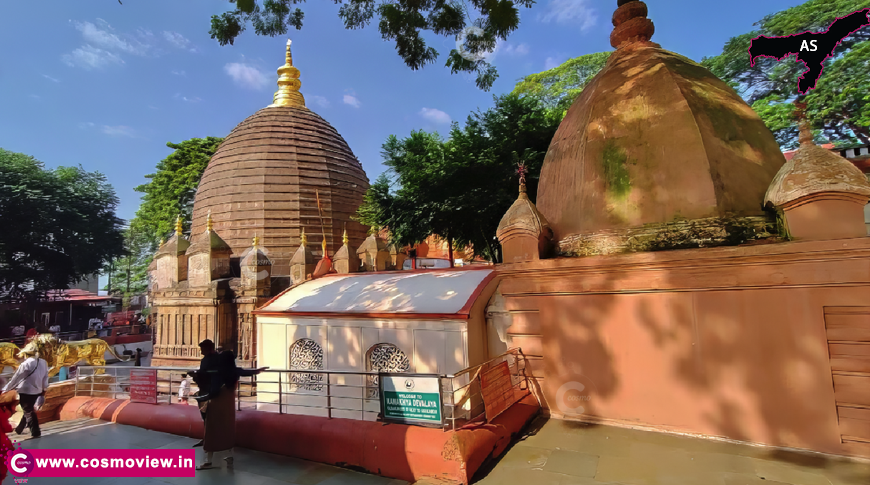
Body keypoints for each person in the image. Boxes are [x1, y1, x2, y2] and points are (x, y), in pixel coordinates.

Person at [191, 345, 267, 470]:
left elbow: (214, 391)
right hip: (229, 406)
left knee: (212, 431)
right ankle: (229, 457)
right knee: (227, 430)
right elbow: (246, 372)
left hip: (216, 405)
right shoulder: (234, 371)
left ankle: (208, 461)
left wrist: (202, 397)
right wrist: (259, 370)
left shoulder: (217, 372)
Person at [2, 343, 49, 438]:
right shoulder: (43, 362)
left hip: (26, 390)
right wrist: (44, 388)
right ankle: (19, 429)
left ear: (26, 354)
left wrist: (6, 389)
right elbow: (45, 377)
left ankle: (36, 432)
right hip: (38, 390)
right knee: (29, 409)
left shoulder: (25, 364)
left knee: (28, 411)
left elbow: (16, 378)